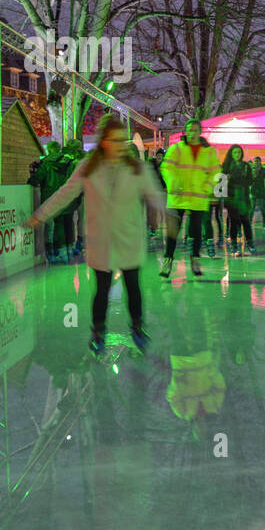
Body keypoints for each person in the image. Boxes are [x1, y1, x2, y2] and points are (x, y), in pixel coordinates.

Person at [24, 116, 167, 355]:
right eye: (115, 140)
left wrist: (169, 216)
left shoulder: (136, 168)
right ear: (104, 142)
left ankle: (137, 328)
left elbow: (154, 195)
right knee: (102, 288)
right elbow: (65, 193)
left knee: (133, 286)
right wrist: (41, 214)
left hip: (129, 237)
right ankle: (98, 331)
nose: (121, 145)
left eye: (123, 140)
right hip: (101, 239)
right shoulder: (88, 167)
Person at [160, 118, 221, 278]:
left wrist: (207, 187)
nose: (192, 133)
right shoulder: (176, 149)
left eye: (195, 130)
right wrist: (173, 182)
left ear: (200, 132)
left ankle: (195, 260)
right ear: (185, 132)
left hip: (198, 198)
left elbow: (215, 172)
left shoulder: (208, 152)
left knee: (196, 232)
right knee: (173, 232)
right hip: (178, 196)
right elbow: (166, 167)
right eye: (189, 129)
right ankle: (168, 261)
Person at [221, 145, 255, 255]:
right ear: (231, 153)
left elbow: (250, 181)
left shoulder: (245, 166)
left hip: (243, 197)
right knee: (234, 222)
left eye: (239, 152)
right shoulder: (226, 167)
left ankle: (250, 243)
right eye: (235, 152)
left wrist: (245, 179)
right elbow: (220, 183)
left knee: (246, 221)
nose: (237, 154)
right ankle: (234, 245)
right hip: (231, 198)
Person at [251, 156, 265, 226]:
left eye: (257, 161)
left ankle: (264, 221)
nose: (256, 162)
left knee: (262, 208)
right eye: (255, 161)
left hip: (261, 191)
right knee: (252, 208)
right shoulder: (252, 169)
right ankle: (249, 222)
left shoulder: (263, 170)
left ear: (260, 162)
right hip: (254, 190)